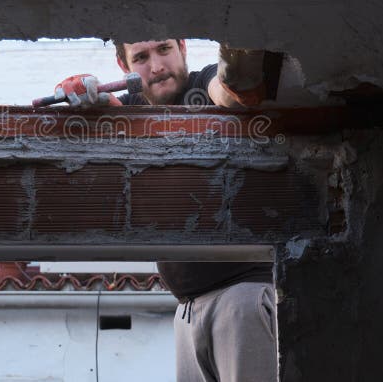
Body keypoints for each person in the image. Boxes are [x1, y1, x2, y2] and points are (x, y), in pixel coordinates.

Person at [54, 39, 278, 382]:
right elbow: (91, 124)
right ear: (123, 65)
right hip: (186, 310)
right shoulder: (129, 109)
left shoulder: (203, 85)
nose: (157, 66)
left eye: (163, 50)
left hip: (242, 299)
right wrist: (81, 94)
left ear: (182, 47)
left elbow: (226, 92)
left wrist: (237, 82)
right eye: (141, 57)